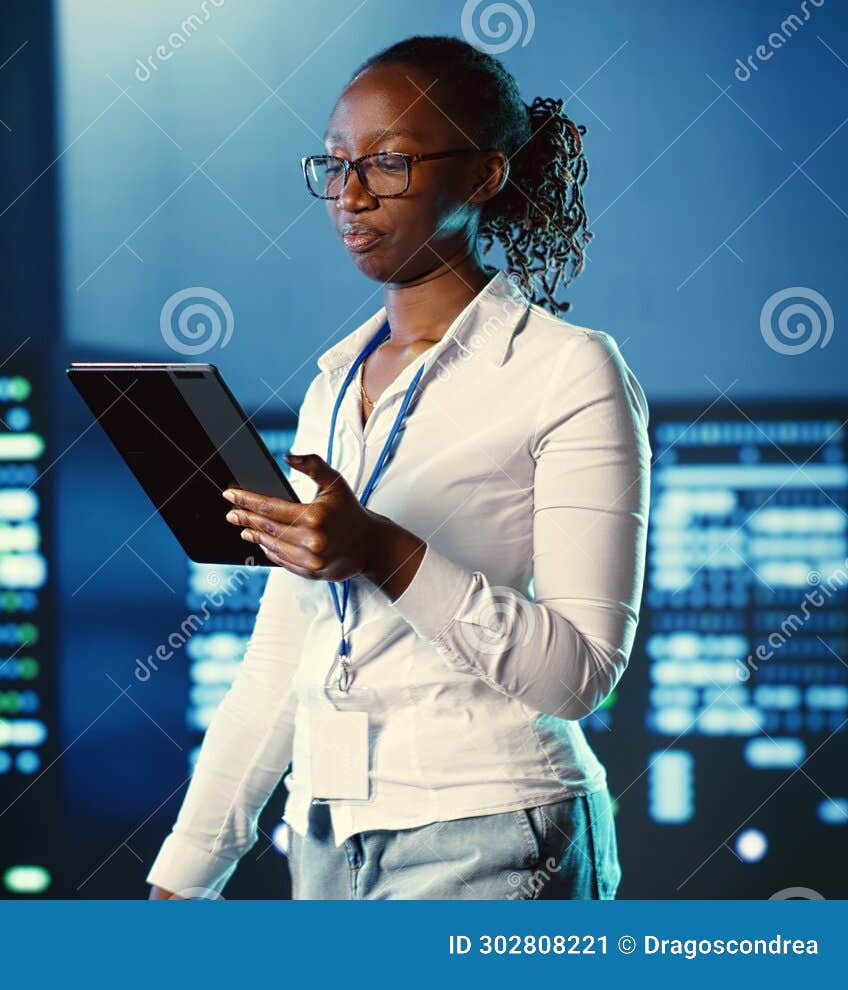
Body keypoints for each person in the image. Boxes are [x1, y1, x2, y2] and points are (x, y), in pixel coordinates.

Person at [146, 35, 648, 900]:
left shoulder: (568, 369)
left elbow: (578, 676)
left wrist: (383, 550)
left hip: (492, 837)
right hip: (323, 841)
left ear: (484, 176)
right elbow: (282, 655)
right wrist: (185, 877)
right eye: (335, 164)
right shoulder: (333, 386)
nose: (350, 194)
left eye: (389, 163)